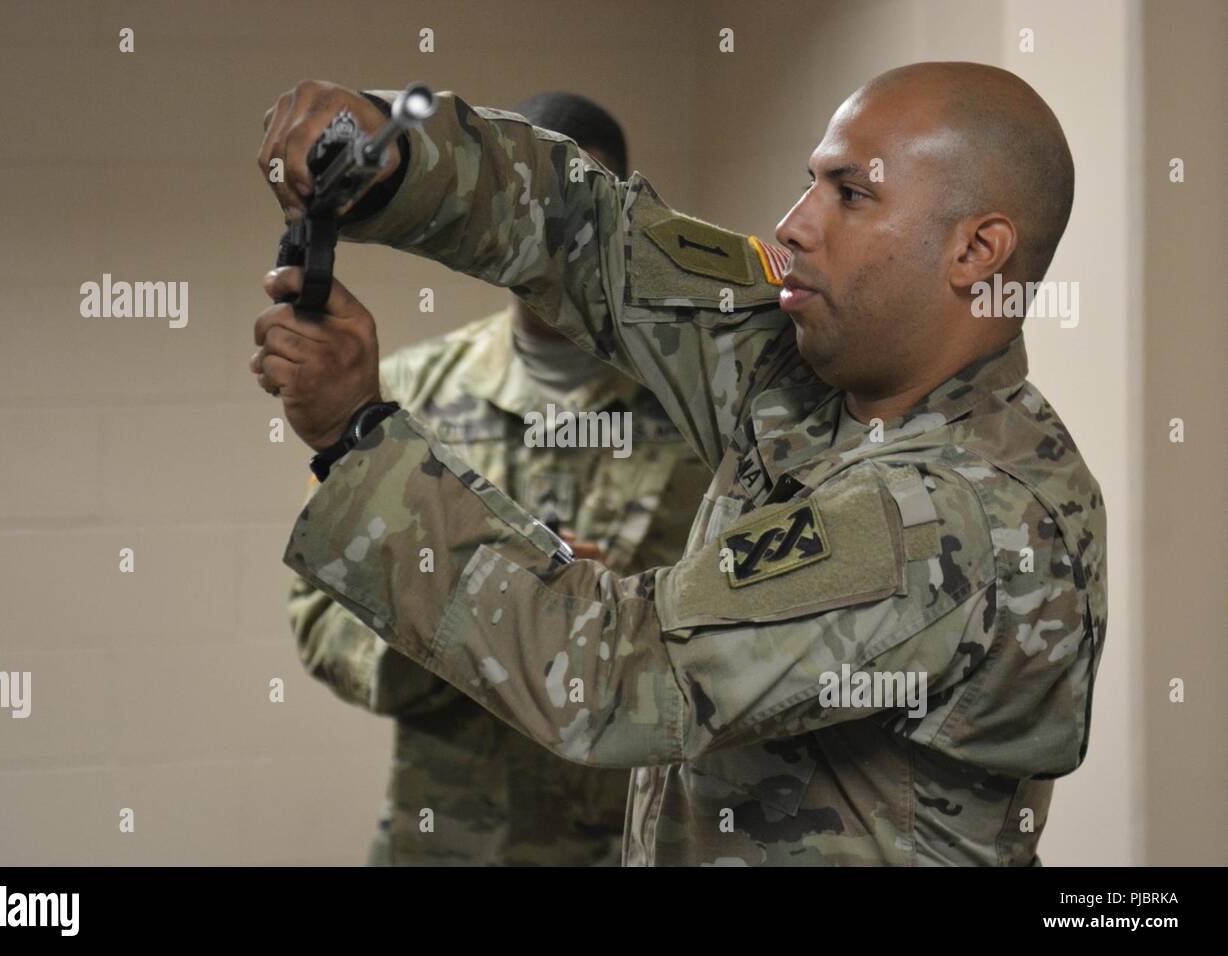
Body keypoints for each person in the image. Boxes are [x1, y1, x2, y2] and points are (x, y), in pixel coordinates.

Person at [252, 62, 1107, 866]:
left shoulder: (952, 518)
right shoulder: (818, 377)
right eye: (812, 181)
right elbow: (603, 246)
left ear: (976, 251)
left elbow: (615, 675)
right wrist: (400, 159)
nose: (794, 223)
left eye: (851, 194)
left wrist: (357, 437)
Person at [284, 93, 712, 866]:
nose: (556, 233)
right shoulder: (401, 398)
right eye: (532, 201)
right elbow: (321, 623)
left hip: (629, 842)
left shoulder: (701, 410)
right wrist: (467, 619)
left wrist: (612, 615)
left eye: (581, 201)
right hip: (451, 838)